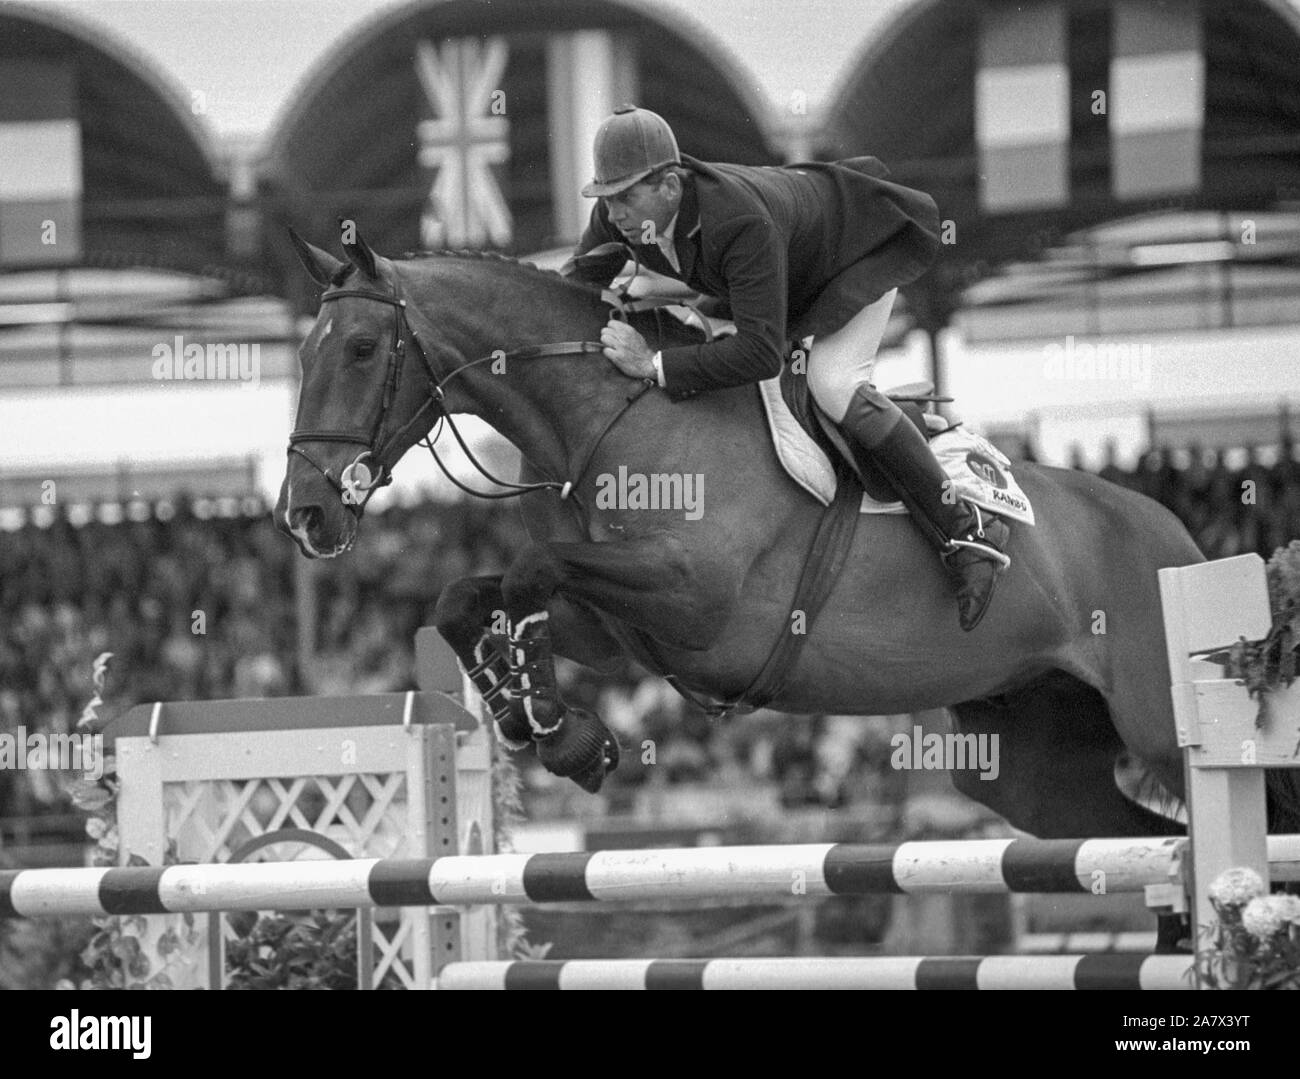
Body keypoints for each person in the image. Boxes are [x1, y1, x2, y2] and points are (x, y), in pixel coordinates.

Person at [565, 105, 1010, 630]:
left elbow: (758, 353)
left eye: (624, 197)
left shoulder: (737, 221)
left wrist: (653, 363)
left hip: (854, 253)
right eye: (606, 198)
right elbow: (574, 289)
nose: (613, 214)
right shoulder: (619, 215)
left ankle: (968, 533)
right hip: (779, 269)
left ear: (668, 185)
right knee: (651, 300)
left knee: (831, 384)